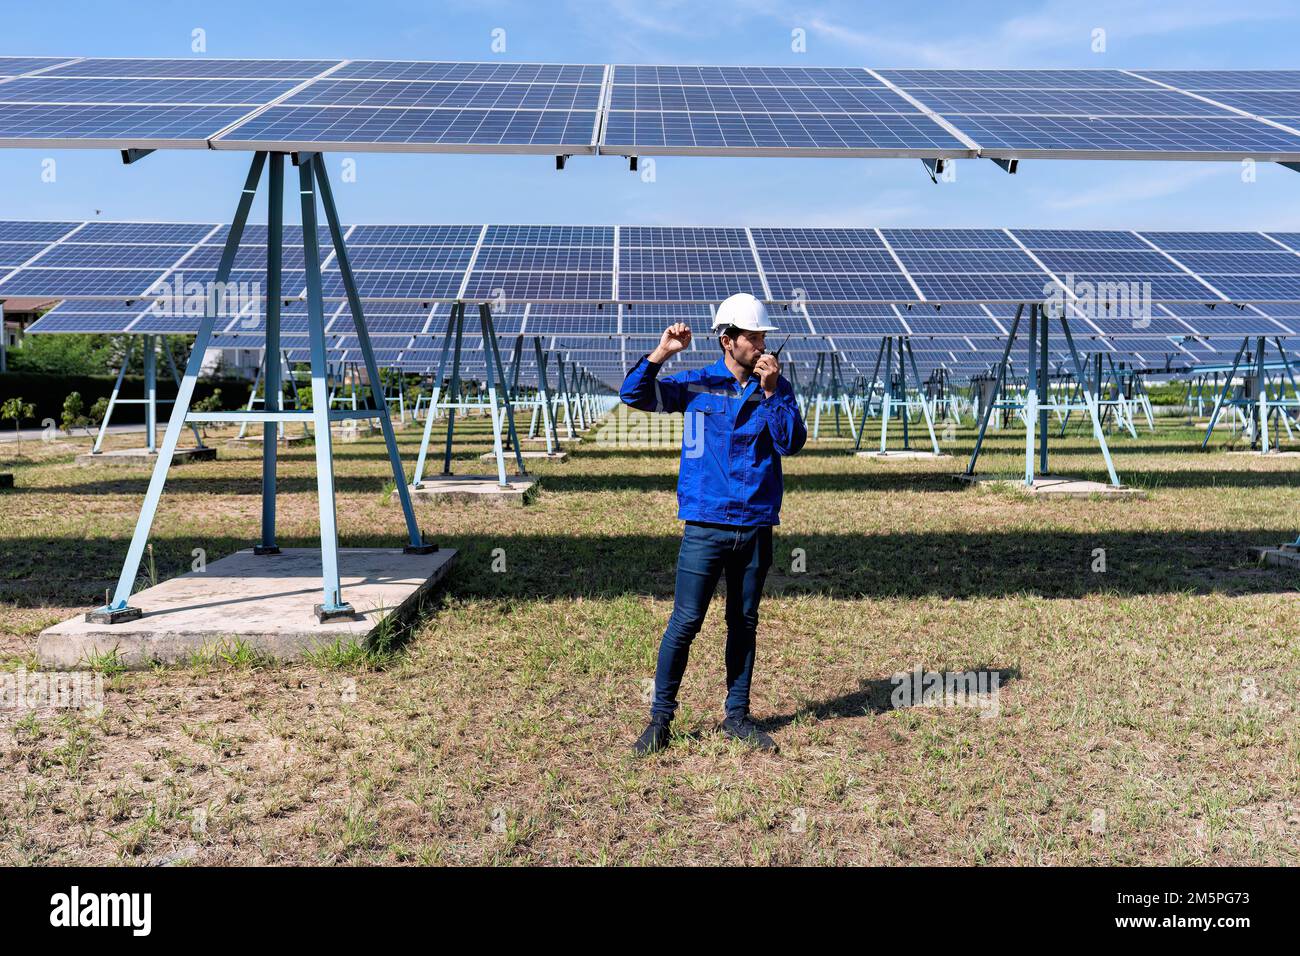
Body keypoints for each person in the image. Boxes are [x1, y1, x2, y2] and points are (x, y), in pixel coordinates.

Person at [620, 292, 807, 755]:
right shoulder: (697, 385)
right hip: (706, 523)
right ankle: (660, 720)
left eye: (764, 335)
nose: (761, 344)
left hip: (757, 522)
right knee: (685, 621)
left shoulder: (777, 389)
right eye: (752, 335)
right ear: (727, 340)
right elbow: (634, 395)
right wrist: (661, 353)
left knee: (744, 621)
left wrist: (770, 394)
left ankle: (737, 717)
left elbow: (790, 444)